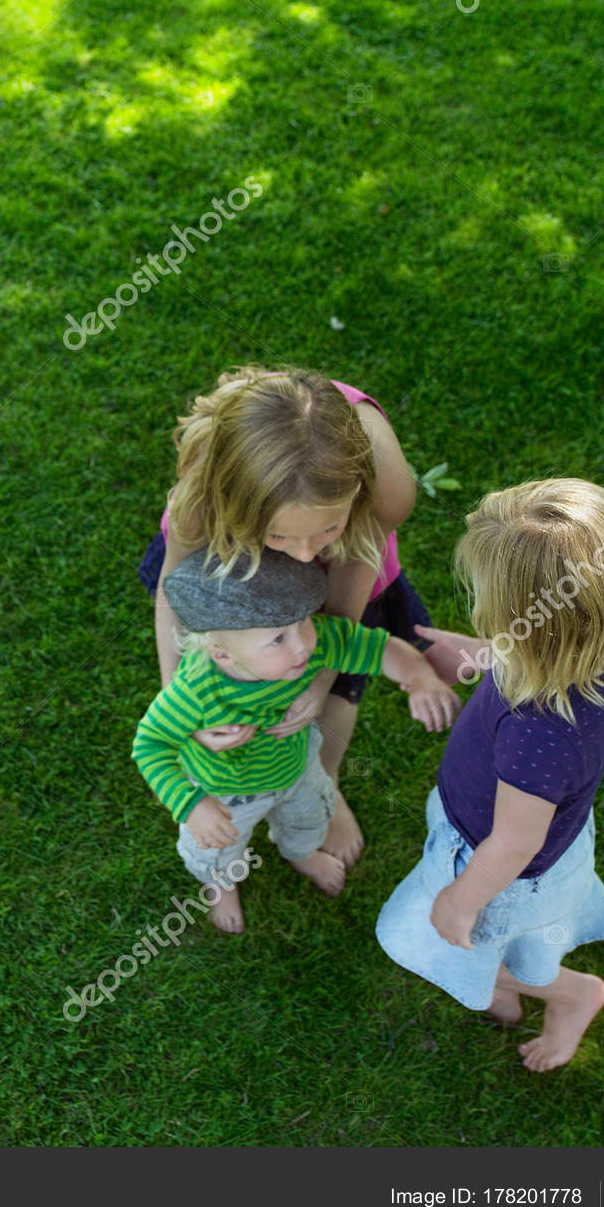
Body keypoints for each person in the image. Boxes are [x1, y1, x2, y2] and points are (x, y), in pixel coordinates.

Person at [376, 479, 604, 1071]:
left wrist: (462, 896)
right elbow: (537, 645)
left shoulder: (542, 732)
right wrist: (484, 655)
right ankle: (506, 985)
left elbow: (513, 841)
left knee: (449, 937)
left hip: (495, 868)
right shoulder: (594, 651)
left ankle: (570, 993)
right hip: (527, 851)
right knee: (498, 945)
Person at [138, 365, 461, 873]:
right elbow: (174, 599)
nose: (306, 557)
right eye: (282, 538)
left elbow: (343, 613)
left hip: (353, 556)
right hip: (239, 549)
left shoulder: (385, 492)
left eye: (323, 530)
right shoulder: (202, 499)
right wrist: (180, 697)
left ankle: (323, 781)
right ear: (235, 506)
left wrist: (320, 680)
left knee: (339, 689)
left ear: (355, 496)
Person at [133, 546, 446, 934]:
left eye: (304, 621)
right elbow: (149, 745)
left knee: (310, 821)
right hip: (226, 794)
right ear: (223, 655)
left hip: (297, 769)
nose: (302, 644)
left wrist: (418, 676)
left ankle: (302, 854)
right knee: (217, 849)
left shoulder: (314, 644)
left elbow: (378, 648)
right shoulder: (195, 692)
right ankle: (221, 883)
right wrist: (192, 805)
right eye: (278, 639)